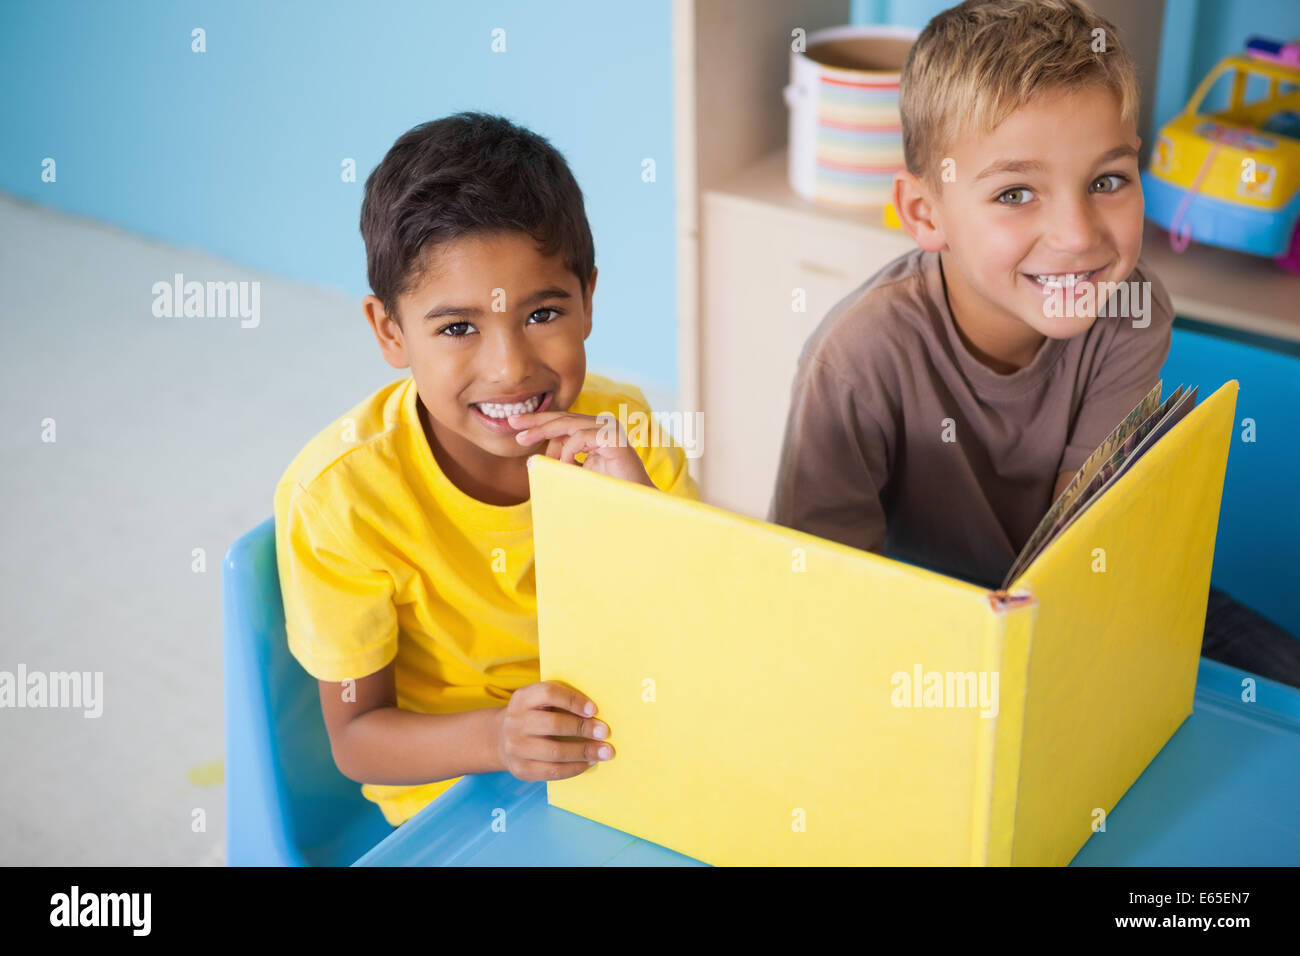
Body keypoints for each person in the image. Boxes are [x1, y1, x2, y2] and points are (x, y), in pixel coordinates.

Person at [770, 0, 1300, 687]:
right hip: (923, 623)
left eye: (1107, 181)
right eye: (1017, 193)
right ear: (925, 213)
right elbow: (813, 586)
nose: (1078, 235)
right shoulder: (856, 357)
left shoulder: (1133, 313)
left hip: (1078, 592)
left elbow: (1079, 548)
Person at [274, 113, 699, 827]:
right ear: (390, 332)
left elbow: (698, 631)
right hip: (459, 794)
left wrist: (639, 514)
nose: (509, 369)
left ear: (588, 300)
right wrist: (500, 737)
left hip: (623, 743)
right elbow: (356, 739)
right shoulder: (338, 499)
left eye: (542, 313)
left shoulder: (622, 432)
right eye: (458, 328)